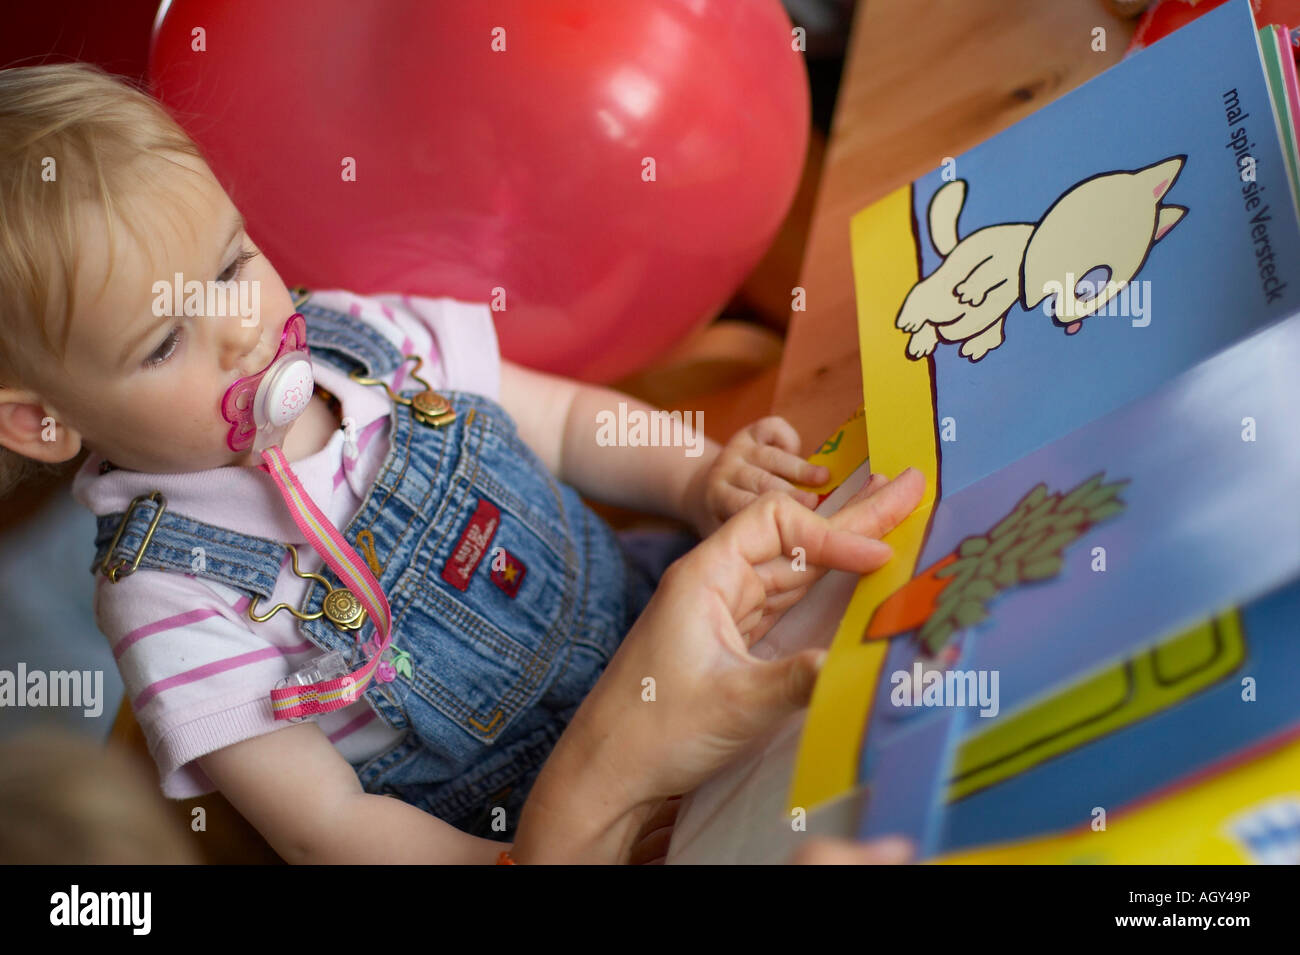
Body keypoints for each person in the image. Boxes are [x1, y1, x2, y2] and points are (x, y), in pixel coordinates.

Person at [0, 61, 922, 863]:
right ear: (43, 421)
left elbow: (561, 421)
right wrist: (519, 858)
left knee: (894, 614)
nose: (244, 330)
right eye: (165, 341)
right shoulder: (167, 596)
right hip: (561, 820)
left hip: (668, 620)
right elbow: (324, 823)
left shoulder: (366, 336)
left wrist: (694, 477)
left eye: (234, 261)